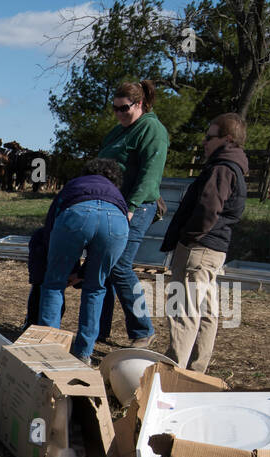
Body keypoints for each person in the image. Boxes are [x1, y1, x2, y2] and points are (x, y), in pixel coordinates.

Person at [160, 114, 249, 373]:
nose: (204, 142)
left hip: (198, 249)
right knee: (205, 311)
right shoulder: (234, 166)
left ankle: (173, 374)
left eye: (210, 137)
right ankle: (195, 372)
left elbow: (208, 209)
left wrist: (188, 240)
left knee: (183, 312)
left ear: (227, 139)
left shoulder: (221, 167)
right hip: (213, 249)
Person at [96, 79, 168, 348]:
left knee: (119, 265)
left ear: (139, 104)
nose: (118, 114)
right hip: (111, 204)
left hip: (137, 206)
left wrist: (131, 206)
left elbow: (150, 174)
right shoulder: (118, 131)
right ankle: (97, 329)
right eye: (114, 109)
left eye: (124, 108)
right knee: (103, 265)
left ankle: (143, 330)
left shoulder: (151, 129)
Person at [36, 158, 130, 362]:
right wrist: (83, 273)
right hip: (117, 222)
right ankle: (84, 353)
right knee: (96, 288)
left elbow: (50, 226)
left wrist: (62, 266)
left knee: (53, 285)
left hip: (76, 214)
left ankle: (48, 351)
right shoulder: (117, 194)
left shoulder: (75, 185)